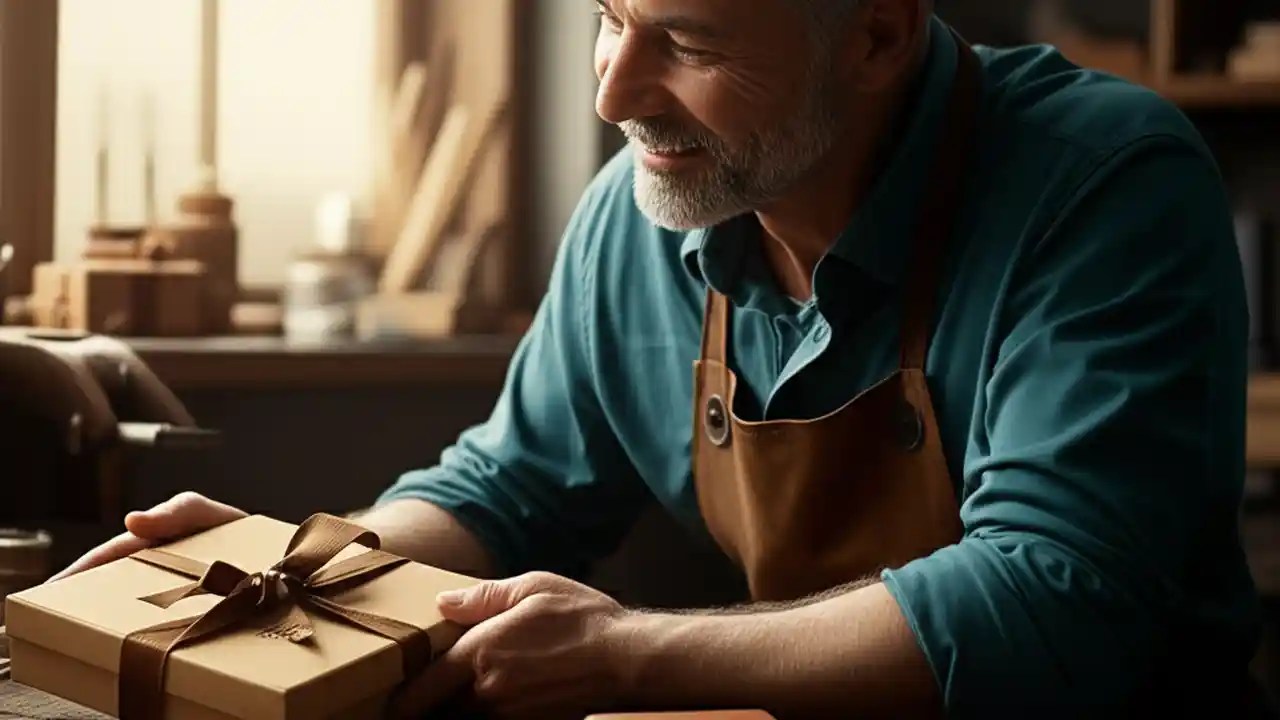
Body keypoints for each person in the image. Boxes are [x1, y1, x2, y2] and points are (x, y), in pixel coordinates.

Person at [51, 0, 1265, 717]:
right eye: (610, 17)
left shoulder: (1101, 184)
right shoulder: (643, 213)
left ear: (878, 37)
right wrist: (293, 569)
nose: (614, 93)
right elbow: (505, 493)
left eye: (682, 38)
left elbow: (1051, 600)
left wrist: (623, 654)